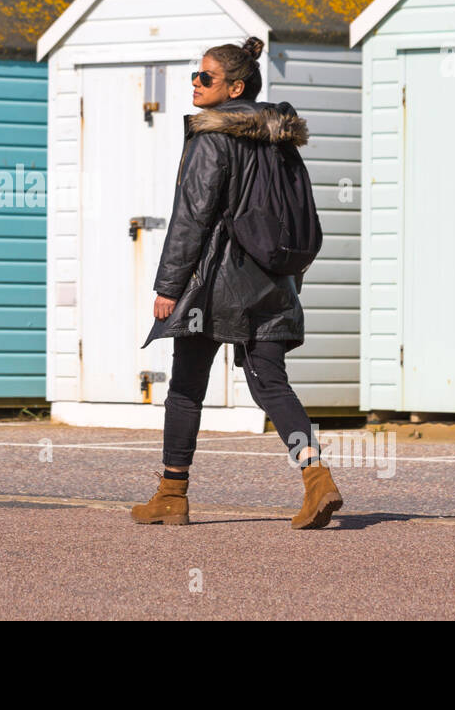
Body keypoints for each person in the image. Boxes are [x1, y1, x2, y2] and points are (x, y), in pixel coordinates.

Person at [129, 36, 343, 529]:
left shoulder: (212, 138)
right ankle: (317, 479)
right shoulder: (279, 139)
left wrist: (168, 286)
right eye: (195, 75)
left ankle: (172, 494)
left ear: (235, 88)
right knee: (270, 381)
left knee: (185, 386)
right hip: (273, 280)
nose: (195, 83)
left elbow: (192, 217)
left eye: (206, 77)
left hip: (214, 284)